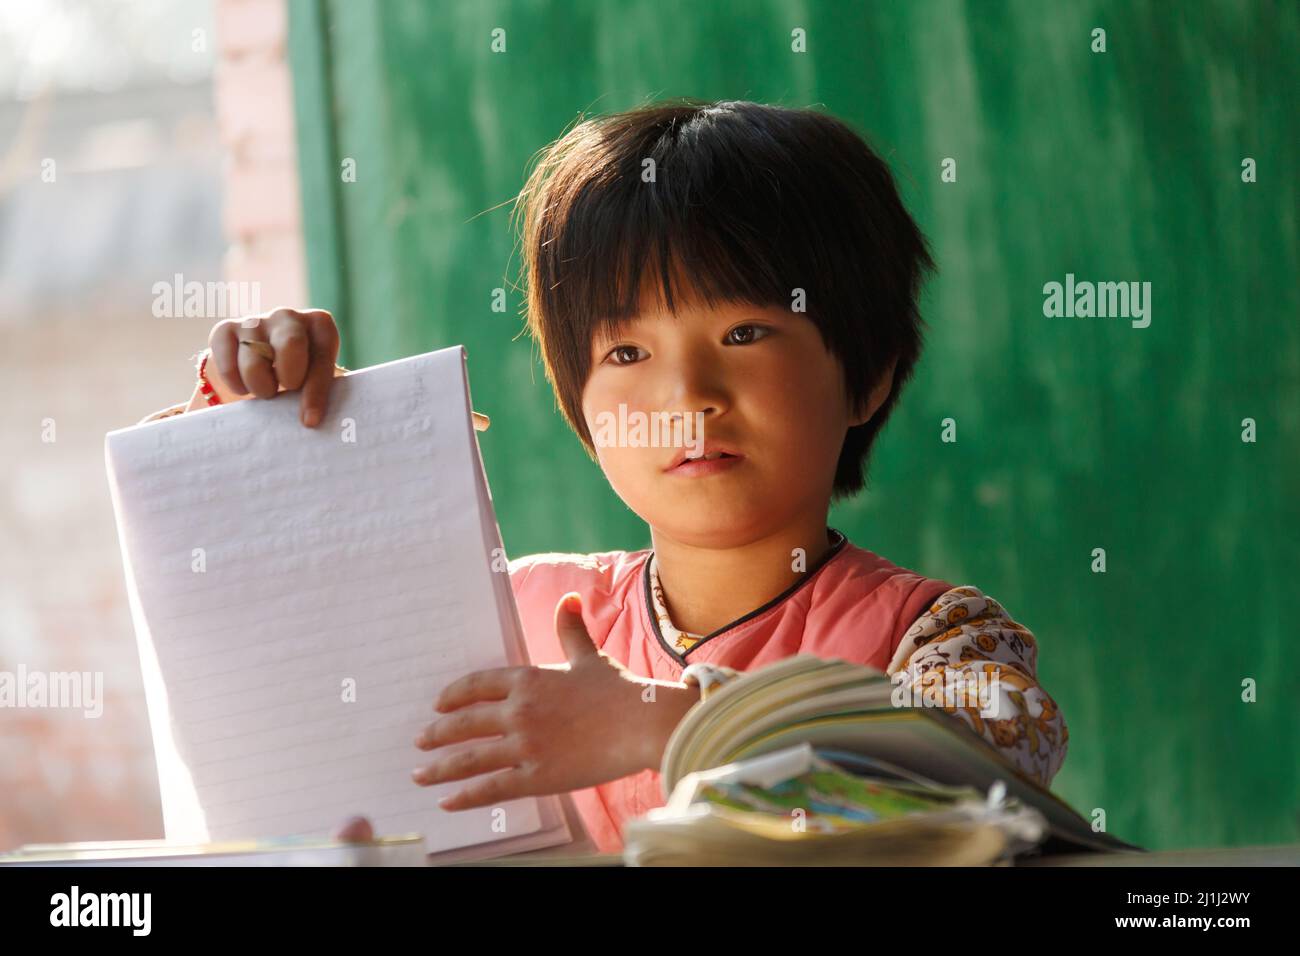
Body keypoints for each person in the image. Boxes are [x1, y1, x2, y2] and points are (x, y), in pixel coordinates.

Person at [144, 100, 1067, 855]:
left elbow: (987, 773)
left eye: (744, 334)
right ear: (582, 405)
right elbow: (271, 641)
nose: (686, 396)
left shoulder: (936, 638)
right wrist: (255, 433)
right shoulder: (512, 615)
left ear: (866, 375)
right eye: (627, 349)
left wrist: (661, 727)